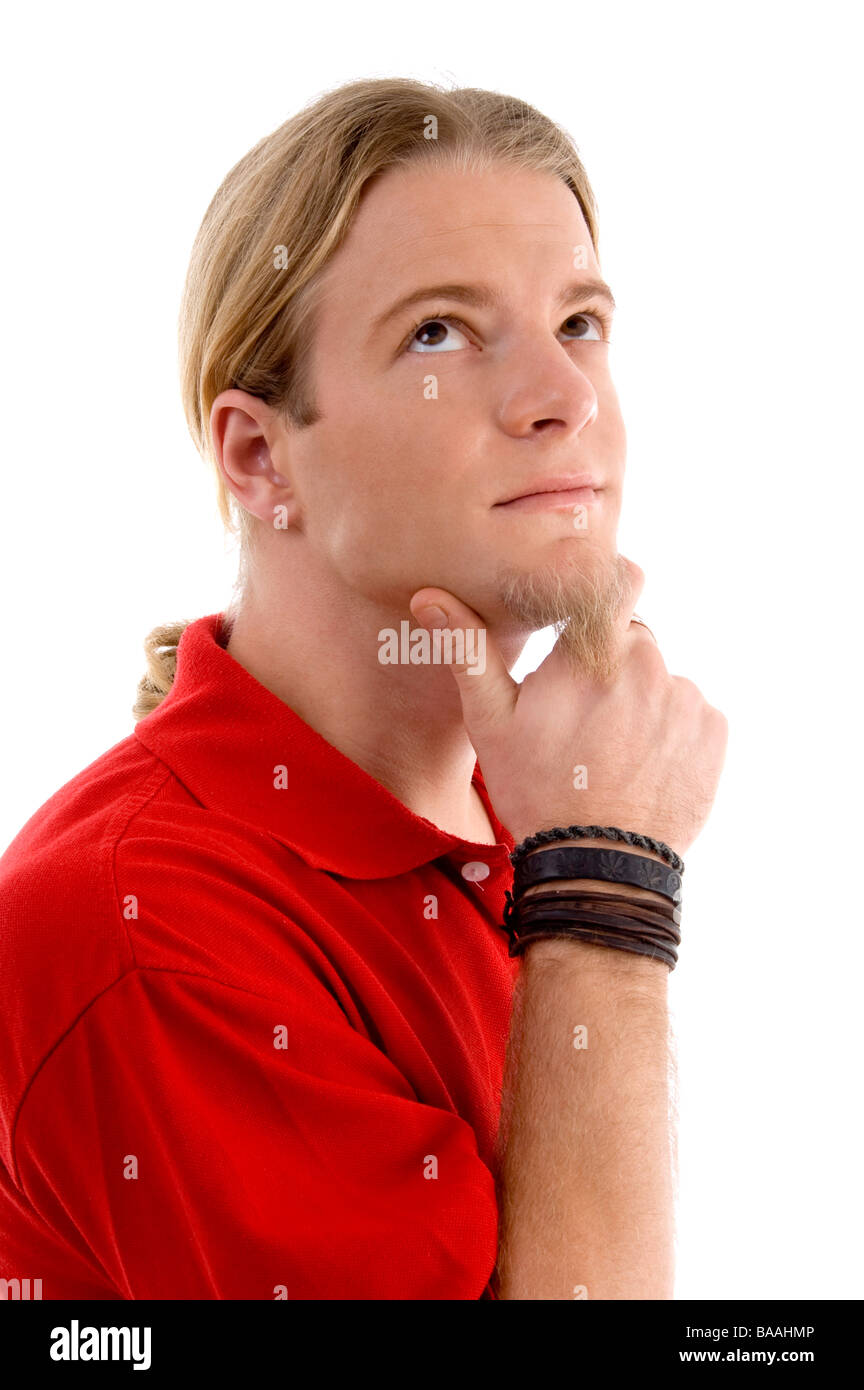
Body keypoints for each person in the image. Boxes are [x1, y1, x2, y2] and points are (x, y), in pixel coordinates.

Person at [0, 77, 727, 1300]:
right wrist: (611, 895)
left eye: (581, 321)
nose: (567, 399)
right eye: (440, 332)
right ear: (259, 455)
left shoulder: (530, 811)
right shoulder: (138, 930)